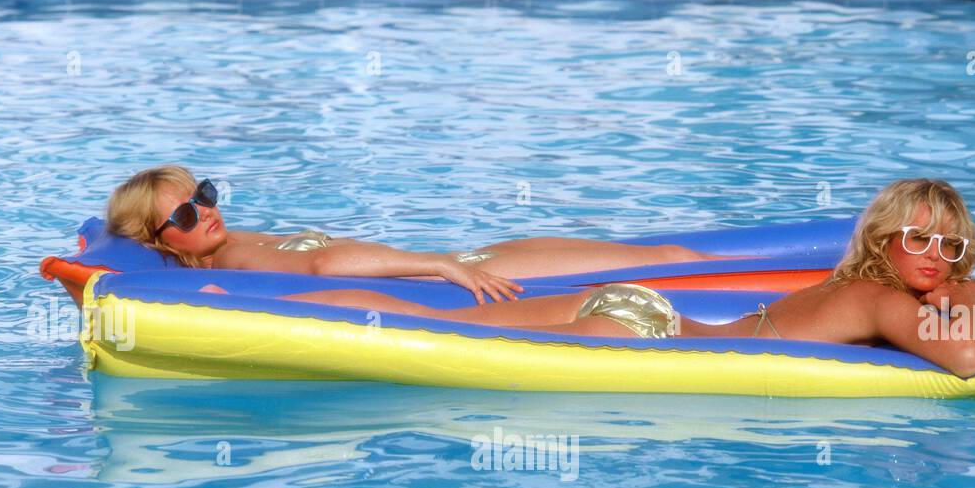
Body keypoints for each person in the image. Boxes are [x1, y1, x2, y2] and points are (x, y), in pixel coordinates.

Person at [269, 178, 975, 378]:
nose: (933, 255)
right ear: (888, 239)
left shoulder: (854, 280)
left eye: (950, 247)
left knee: (435, 320)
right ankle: (301, 306)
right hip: (644, 324)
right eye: (918, 237)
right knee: (435, 328)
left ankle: (302, 302)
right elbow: (969, 355)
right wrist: (966, 294)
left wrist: (967, 285)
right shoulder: (884, 300)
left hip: (644, 310)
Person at [105, 164, 725, 305]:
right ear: (161, 243)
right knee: (667, 260)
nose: (205, 212)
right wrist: (442, 267)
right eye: (184, 216)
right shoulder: (230, 260)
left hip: (456, 258)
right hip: (449, 268)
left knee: (666, 255)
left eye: (203, 196)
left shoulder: (230, 241)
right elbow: (323, 269)